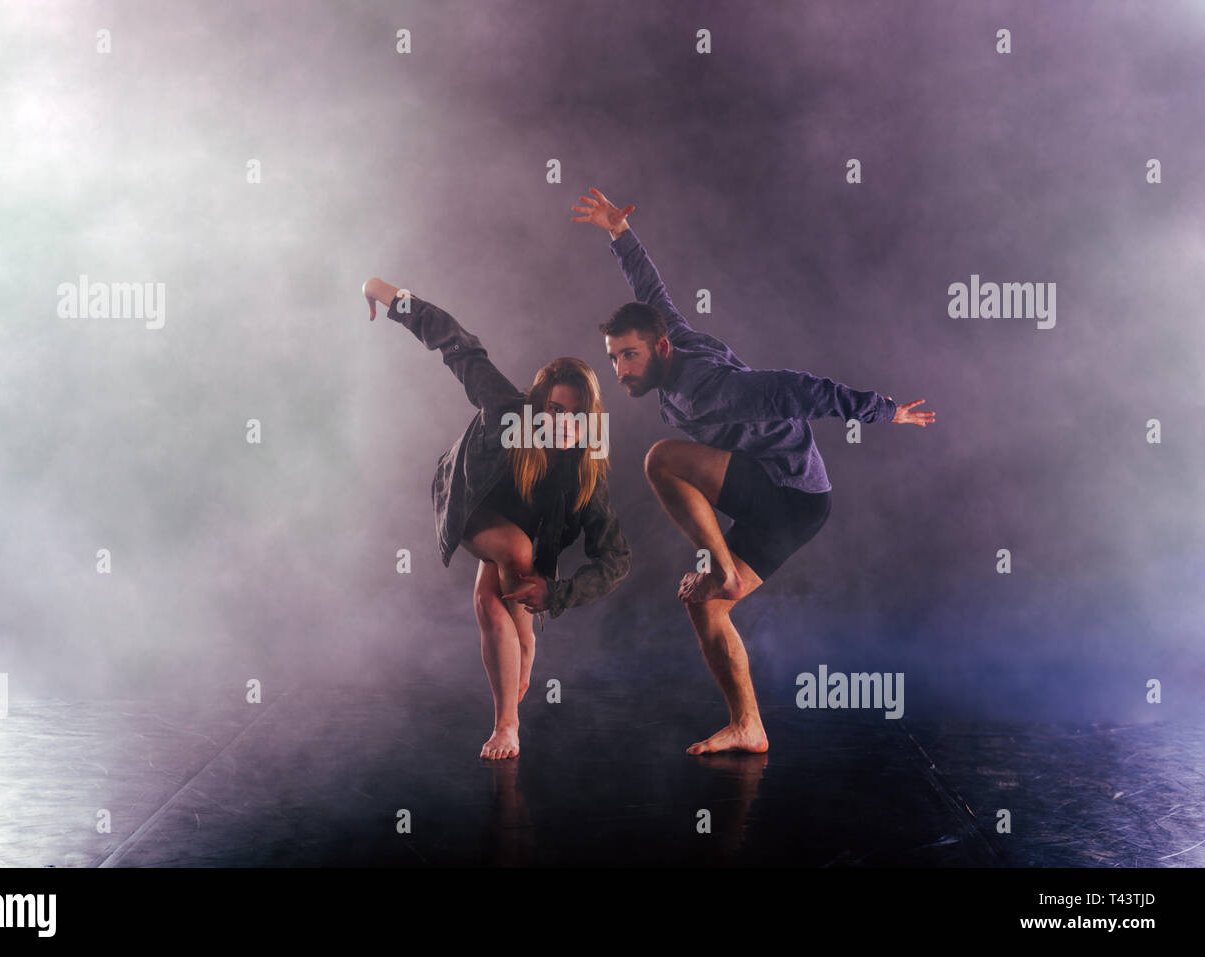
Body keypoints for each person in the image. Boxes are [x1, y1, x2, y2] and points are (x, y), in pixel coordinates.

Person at [571, 187, 935, 755]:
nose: (619, 369)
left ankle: (725, 570)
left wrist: (885, 411)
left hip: (788, 492)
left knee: (661, 460)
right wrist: (619, 234)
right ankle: (749, 726)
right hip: (784, 498)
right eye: (614, 357)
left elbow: (801, 389)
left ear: (660, 348)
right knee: (706, 606)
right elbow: (650, 290)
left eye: (628, 356)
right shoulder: (676, 341)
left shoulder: (714, 390)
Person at [362, 277, 631, 759]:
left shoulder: (588, 469)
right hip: (473, 503)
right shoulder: (510, 411)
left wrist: (558, 593)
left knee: (490, 604)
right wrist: (384, 291)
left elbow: (616, 559)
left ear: (590, 419)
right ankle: (523, 657)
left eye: (575, 415)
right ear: (535, 405)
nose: (561, 423)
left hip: (523, 534)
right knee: (516, 550)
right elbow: (457, 345)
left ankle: (507, 723)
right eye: (552, 409)